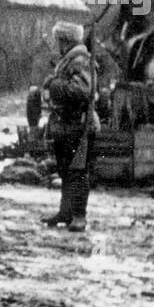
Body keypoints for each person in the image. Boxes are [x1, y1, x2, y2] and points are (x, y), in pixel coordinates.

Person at [40, 20, 99, 232]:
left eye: (58, 40)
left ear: (65, 40)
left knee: (78, 172)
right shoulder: (70, 59)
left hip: (80, 126)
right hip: (68, 126)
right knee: (66, 171)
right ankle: (66, 213)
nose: (56, 44)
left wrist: (54, 85)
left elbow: (82, 91)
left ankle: (79, 217)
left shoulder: (80, 60)